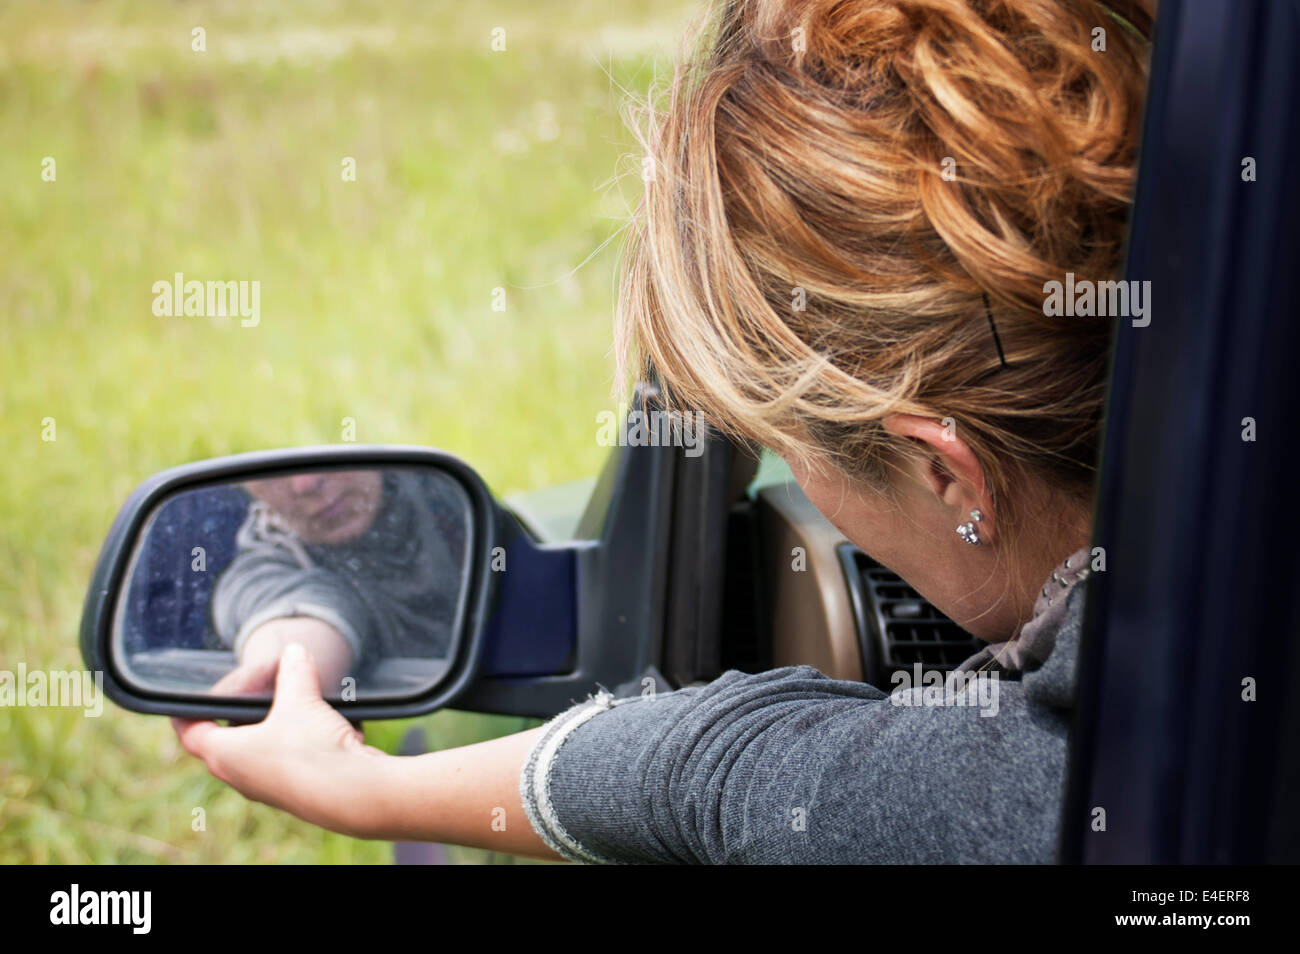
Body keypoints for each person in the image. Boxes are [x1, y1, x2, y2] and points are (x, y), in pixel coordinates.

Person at [173, 0, 1154, 862]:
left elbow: (743, 781)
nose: (797, 481)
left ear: (950, 474)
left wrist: (368, 791)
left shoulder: (1102, 789)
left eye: (783, 440)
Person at [209, 468, 469, 696]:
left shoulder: (448, 494)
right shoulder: (263, 569)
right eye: (269, 471)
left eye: (322, 452)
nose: (306, 484)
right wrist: (284, 680)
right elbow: (292, 612)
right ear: (246, 486)